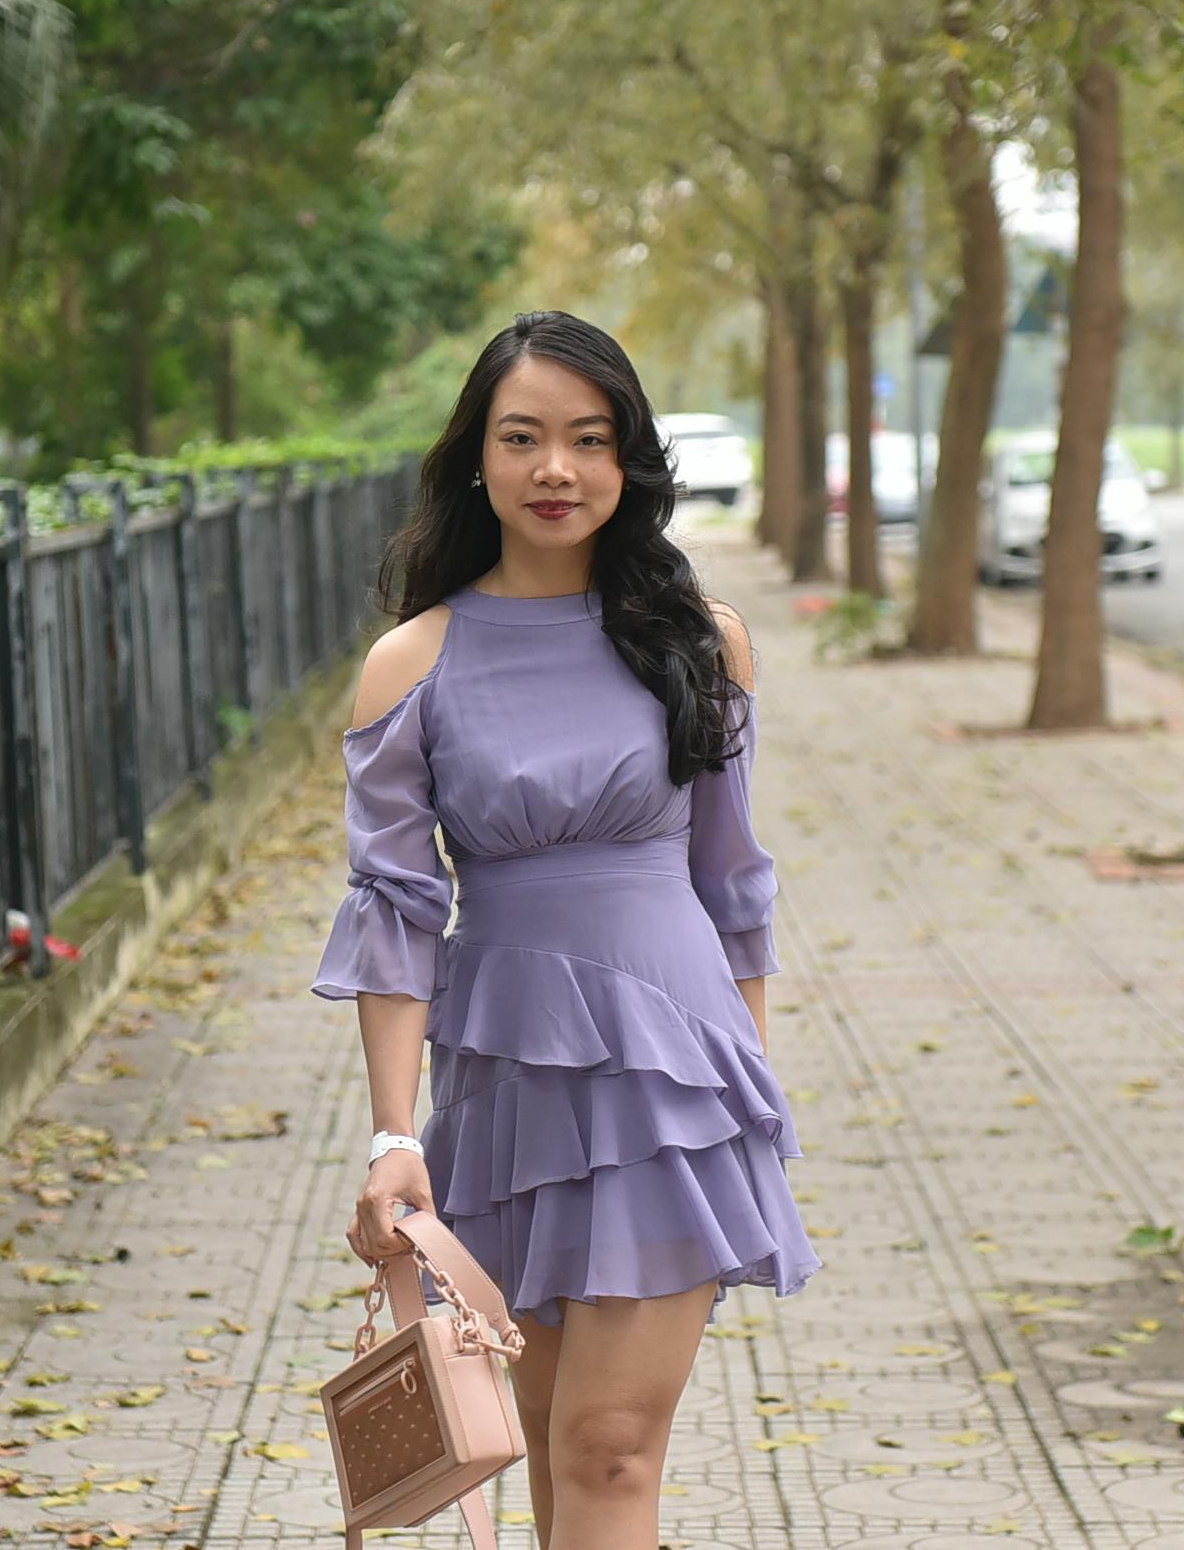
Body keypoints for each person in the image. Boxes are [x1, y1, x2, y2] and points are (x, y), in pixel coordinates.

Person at [312, 311, 818, 1549]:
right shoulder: (411, 661)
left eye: (588, 440)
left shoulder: (700, 641)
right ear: (474, 457)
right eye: (523, 437)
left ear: (626, 460)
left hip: (671, 1079)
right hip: (504, 1088)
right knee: (530, 1434)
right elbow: (394, 910)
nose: (556, 469)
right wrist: (391, 1135)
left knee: (608, 1446)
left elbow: (732, 882)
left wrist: (748, 1084)